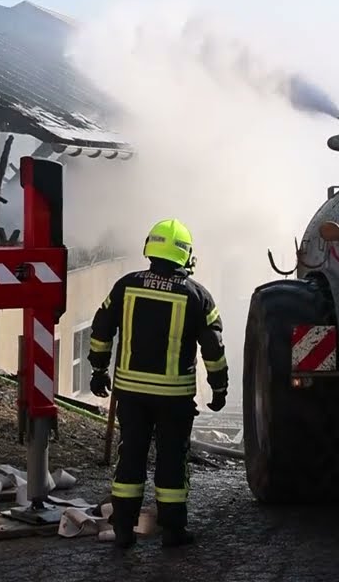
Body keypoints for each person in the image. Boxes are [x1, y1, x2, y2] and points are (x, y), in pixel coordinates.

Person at [87, 218, 228, 549]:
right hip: (174, 398)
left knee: (131, 456)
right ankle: (173, 531)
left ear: (150, 247)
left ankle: (123, 530)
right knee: (172, 462)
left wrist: (98, 370)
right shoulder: (197, 296)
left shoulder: (126, 285)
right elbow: (214, 348)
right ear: (185, 255)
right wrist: (219, 388)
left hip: (132, 394)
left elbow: (101, 328)